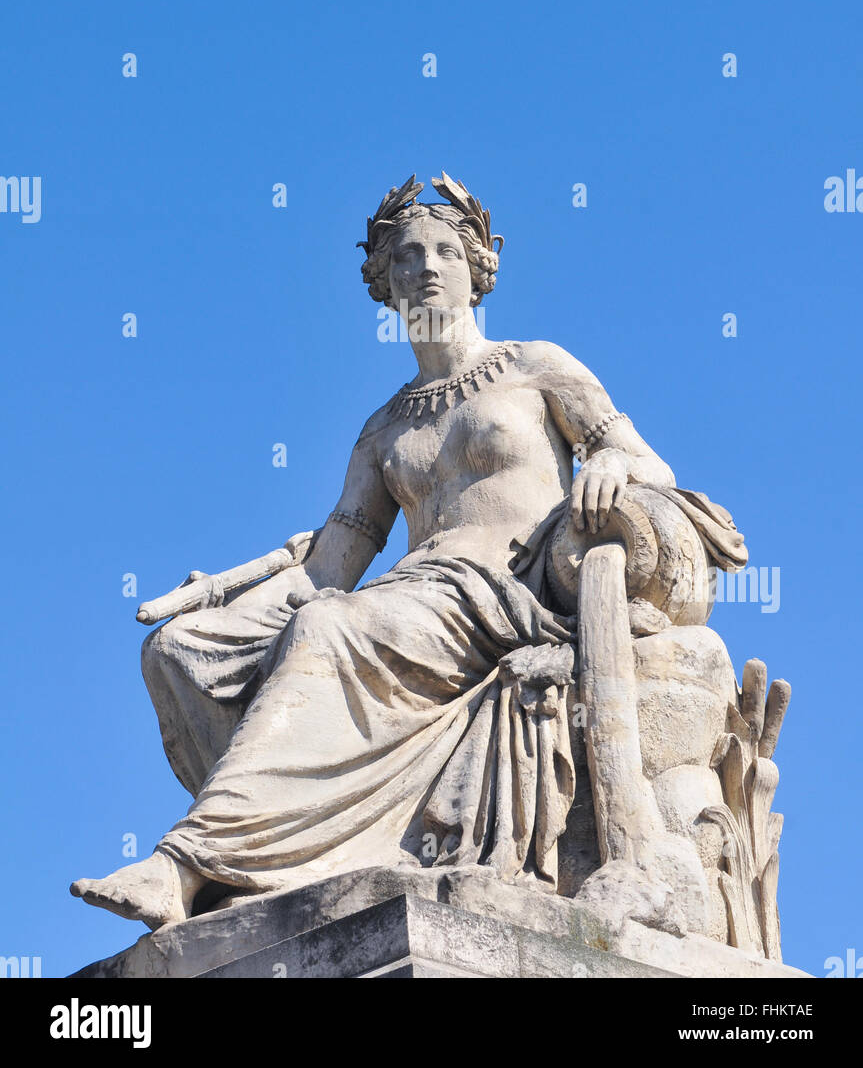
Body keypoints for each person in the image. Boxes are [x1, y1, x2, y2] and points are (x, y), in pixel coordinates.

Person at [71, 174, 674, 930]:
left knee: (327, 627)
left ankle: (185, 863)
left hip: (507, 594)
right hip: (410, 600)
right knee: (181, 649)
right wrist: (224, 609)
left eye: (445, 252)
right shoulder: (383, 427)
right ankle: (286, 852)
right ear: (382, 283)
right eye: (407, 255)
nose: (426, 265)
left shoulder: (535, 366)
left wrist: (612, 465)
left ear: (477, 268)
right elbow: (328, 568)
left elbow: (646, 462)